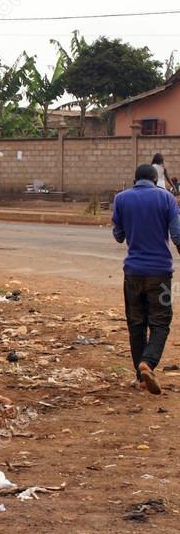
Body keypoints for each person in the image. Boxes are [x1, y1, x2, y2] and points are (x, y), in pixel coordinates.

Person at [111, 164, 180, 394]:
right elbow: (177, 234)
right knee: (161, 323)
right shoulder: (167, 198)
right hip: (160, 274)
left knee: (136, 324)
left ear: (135, 180)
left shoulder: (121, 199)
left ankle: (141, 378)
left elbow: (118, 236)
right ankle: (147, 363)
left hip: (132, 273)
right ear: (155, 179)